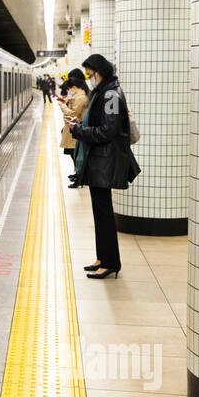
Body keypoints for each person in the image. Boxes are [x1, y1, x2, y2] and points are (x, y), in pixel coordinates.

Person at [68, 54, 140, 280]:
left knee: (104, 214)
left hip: (104, 162)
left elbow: (107, 131)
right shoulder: (105, 91)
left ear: (101, 71)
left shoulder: (110, 95)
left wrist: (80, 131)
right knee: (100, 213)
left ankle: (110, 262)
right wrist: (80, 125)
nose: (89, 78)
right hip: (99, 160)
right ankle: (103, 257)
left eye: (91, 74)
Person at [56, 69, 90, 188]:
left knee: (77, 155)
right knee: (75, 154)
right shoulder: (79, 95)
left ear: (74, 86)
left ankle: (80, 178)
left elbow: (73, 113)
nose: (69, 91)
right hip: (74, 127)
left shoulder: (80, 97)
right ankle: (78, 175)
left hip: (76, 128)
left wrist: (63, 106)